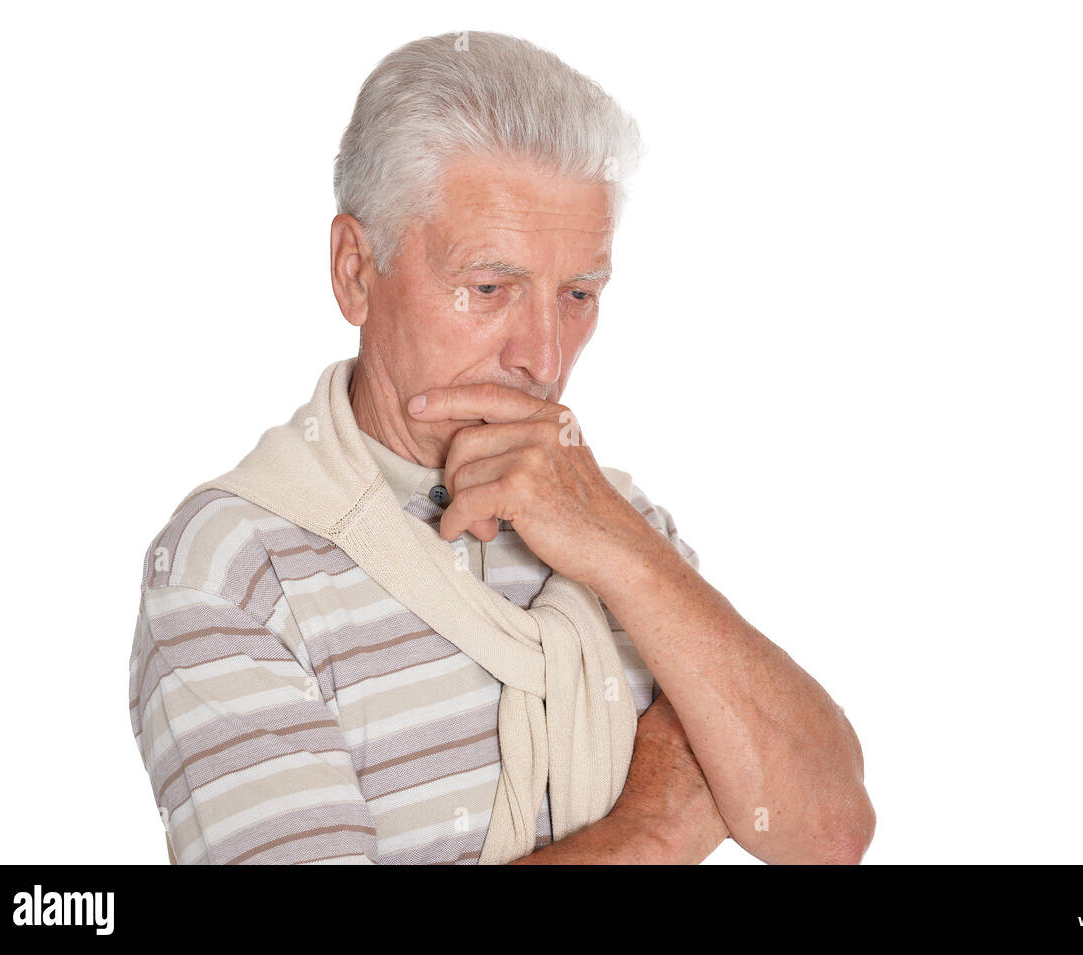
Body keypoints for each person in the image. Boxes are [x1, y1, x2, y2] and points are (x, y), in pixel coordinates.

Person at [128, 30, 874, 865]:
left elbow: (829, 830)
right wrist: (653, 831)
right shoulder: (235, 569)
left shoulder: (619, 523)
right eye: (489, 288)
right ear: (354, 269)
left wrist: (625, 553)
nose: (544, 358)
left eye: (579, 294)